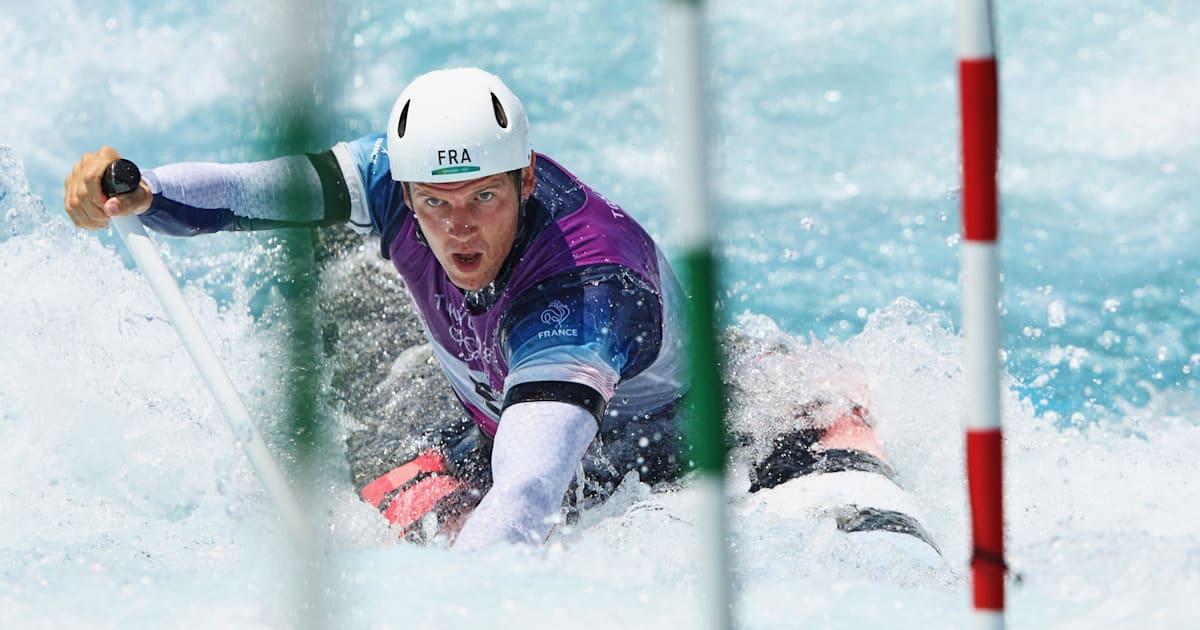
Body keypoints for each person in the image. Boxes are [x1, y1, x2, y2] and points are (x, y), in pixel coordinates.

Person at [64, 67, 936, 553]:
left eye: (482, 198)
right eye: (433, 203)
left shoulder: (584, 293)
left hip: (679, 431)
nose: (456, 228)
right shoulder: (390, 179)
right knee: (331, 250)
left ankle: (823, 413)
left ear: (525, 177)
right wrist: (139, 190)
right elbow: (238, 198)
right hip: (482, 403)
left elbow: (527, 495)